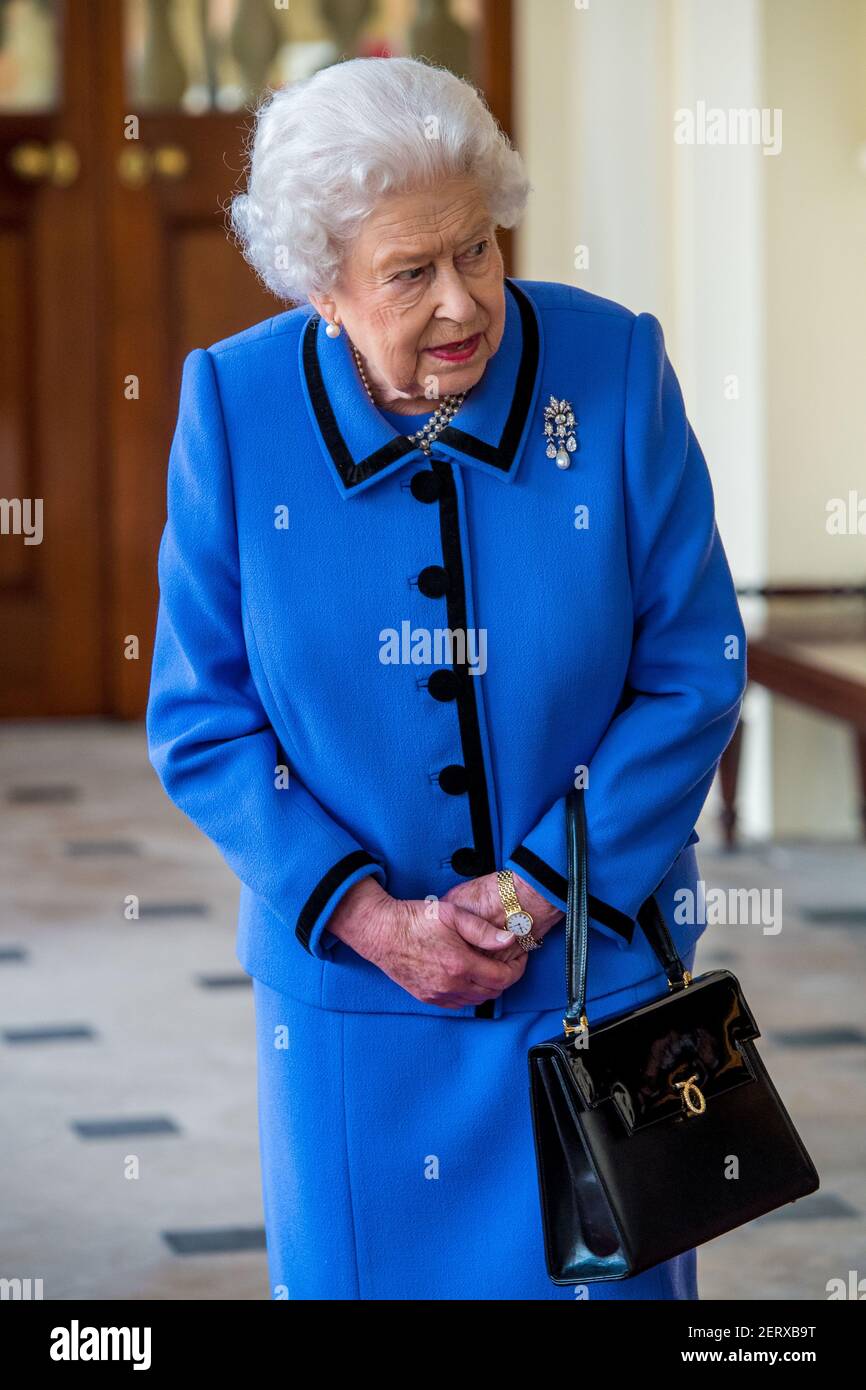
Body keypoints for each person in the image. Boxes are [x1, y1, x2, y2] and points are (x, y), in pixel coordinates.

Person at [146, 55, 747, 1300]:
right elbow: (202, 717)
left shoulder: (614, 368)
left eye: (476, 248)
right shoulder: (233, 405)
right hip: (352, 1015)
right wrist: (371, 918)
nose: (463, 302)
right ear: (321, 284)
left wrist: (540, 889)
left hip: (592, 981)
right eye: (408, 273)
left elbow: (692, 667)